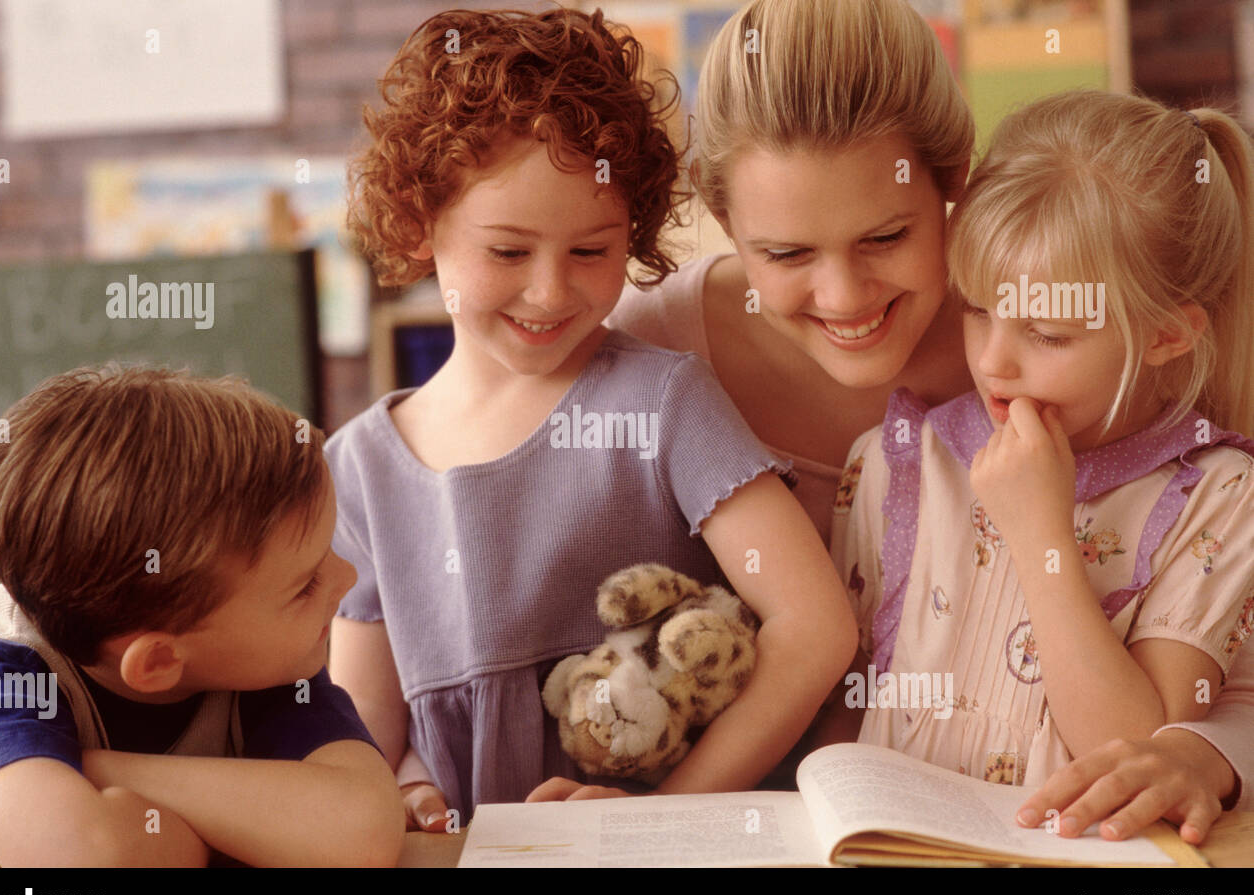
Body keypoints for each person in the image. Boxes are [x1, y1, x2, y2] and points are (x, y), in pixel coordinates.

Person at [606, 0, 1254, 843]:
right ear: (726, 226)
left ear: (955, 186)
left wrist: (1212, 755)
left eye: (884, 236)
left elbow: (1190, 717)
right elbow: (850, 699)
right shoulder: (868, 444)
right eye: (787, 254)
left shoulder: (1146, 388)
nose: (843, 298)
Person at [327, 6, 854, 828]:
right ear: (420, 222)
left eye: (591, 251)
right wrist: (405, 786)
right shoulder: (359, 468)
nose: (550, 292)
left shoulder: (666, 400)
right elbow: (359, 736)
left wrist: (663, 819)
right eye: (508, 251)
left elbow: (815, 628)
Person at [832, 89, 1254, 825]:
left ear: (1166, 336)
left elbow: (1137, 751)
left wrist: (1041, 538)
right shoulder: (896, 462)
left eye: (1048, 334)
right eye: (978, 308)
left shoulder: (1219, 497)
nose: (994, 361)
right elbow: (838, 725)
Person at [0, 365, 405, 867]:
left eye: (329, 550)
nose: (347, 579)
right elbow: (87, 861)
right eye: (303, 587)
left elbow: (362, 833)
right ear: (159, 661)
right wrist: (231, 838)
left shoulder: (269, 665)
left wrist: (95, 773)